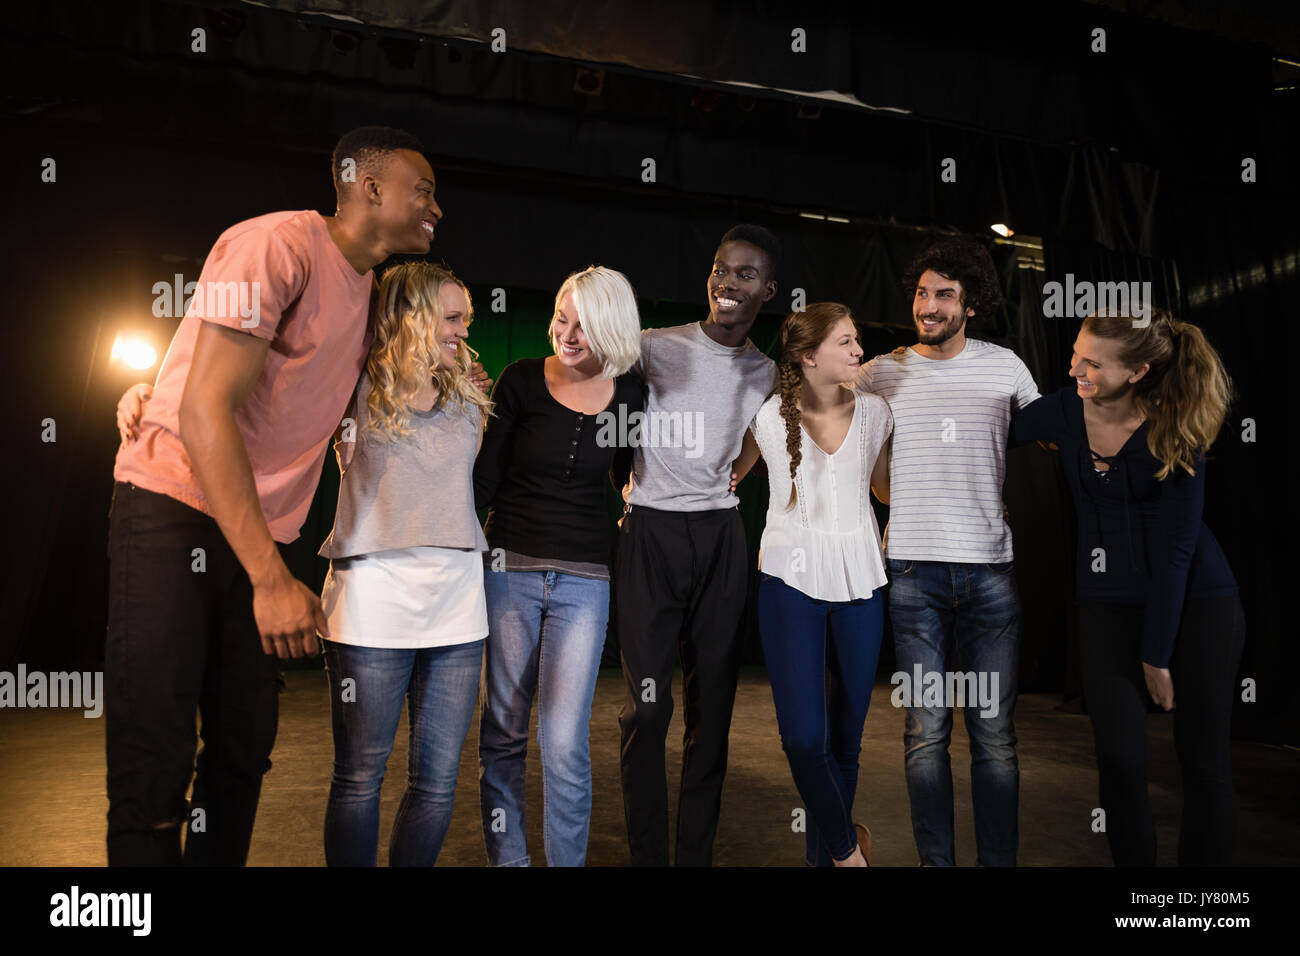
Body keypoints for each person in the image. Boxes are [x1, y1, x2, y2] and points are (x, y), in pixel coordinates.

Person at [106, 126, 446, 866]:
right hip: (174, 510)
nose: (435, 208)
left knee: (241, 753)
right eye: (422, 190)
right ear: (367, 186)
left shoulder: (369, 292)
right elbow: (203, 410)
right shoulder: (274, 244)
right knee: (153, 758)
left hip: (264, 533)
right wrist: (269, 578)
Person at [1011, 310, 1243, 866]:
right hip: (1105, 604)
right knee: (1118, 761)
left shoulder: (1175, 424)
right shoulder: (1065, 410)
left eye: (1092, 363)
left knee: (1202, 761)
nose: (1075, 369)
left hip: (1196, 602)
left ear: (1137, 371)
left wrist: (1157, 655)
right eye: (1075, 354)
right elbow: (993, 426)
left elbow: (1178, 550)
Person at [850, 237, 1039, 866]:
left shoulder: (1006, 368)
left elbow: (1057, 434)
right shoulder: (882, 370)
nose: (928, 306)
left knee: (993, 736)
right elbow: (827, 406)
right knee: (925, 735)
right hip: (911, 570)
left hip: (989, 570)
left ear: (971, 304)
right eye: (922, 293)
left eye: (944, 296)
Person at [615, 224, 780, 866]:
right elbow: (593, 373)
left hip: (719, 538)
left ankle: (695, 858)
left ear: (767, 289)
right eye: (720, 269)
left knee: (711, 715)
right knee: (647, 713)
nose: (727, 282)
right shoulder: (655, 346)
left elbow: (767, 430)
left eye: (744, 274)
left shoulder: (765, 371)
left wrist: (738, 469)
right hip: (650, 531)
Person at [317, 262, 492, 866]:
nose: (463, 330)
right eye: (451, 317)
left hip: (458, 607)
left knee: (438, 783)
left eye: (465, 317)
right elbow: (263, 402)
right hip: (371, 603)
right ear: (410, 319)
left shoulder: (470, 389)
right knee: (361, 777)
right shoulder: (350, 388)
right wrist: (150, 393)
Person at [472, 266, 644, 867]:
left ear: (613, 327)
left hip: (586, 580)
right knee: (503, 733)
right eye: (561, 317)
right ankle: (510, 861)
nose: (567, 334)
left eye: (584, 324)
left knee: (565, 740)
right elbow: (483, 482)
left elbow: (631, 481)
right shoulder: (518, 381)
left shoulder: (629, 396)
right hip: (509, 570)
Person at [730, 303, 893, 867]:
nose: (857, 352)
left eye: (857, 340)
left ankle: (825, 864)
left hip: (861, 582)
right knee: (804, 739)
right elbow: (726, 475)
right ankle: (849, 855)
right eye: (846, 342)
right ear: (808, 356)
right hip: (789, 581)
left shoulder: (876, 414)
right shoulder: (768, 416)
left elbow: (885, 491)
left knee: (846, 742)